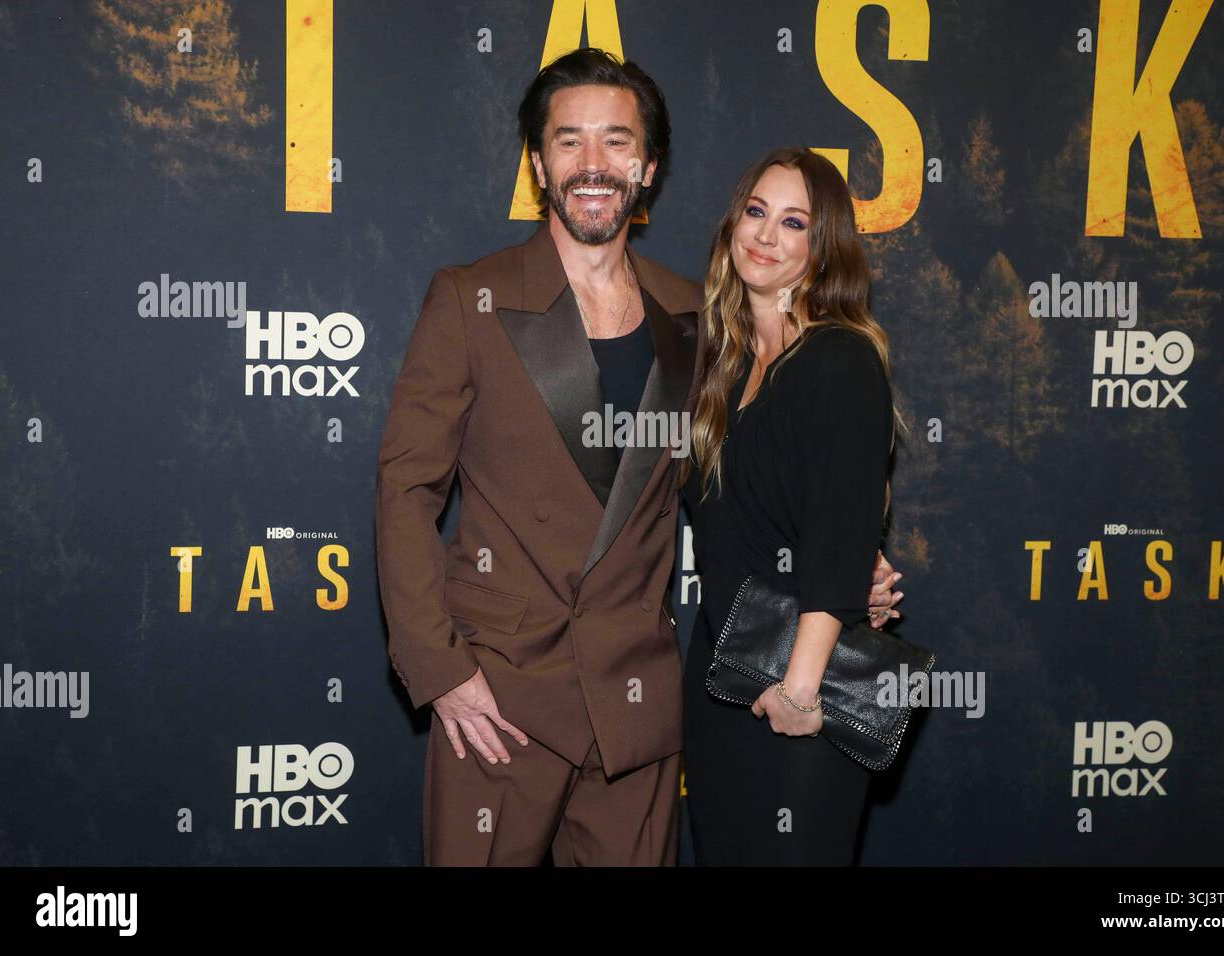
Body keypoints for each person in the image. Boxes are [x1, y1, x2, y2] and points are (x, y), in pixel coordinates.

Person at [375, 50, 902, 866]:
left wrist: (842, 568)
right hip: (499, 700)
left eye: (617, 143)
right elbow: (406, 489)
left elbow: (768, 466)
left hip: (636, 706)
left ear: (648, 168)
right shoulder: (470, 299)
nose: (594, 165)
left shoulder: (697, 318)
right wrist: (440, 670)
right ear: (540, 165)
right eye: (570, 142)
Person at [680, 146, 904, 865]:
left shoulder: (840, 360)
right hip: (721, 678)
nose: (765, 235)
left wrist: (801, 692)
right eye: (756, 212)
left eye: (794, 222)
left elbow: (838, 542)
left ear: (823, 248)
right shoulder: (725, 366)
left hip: (801, 690)